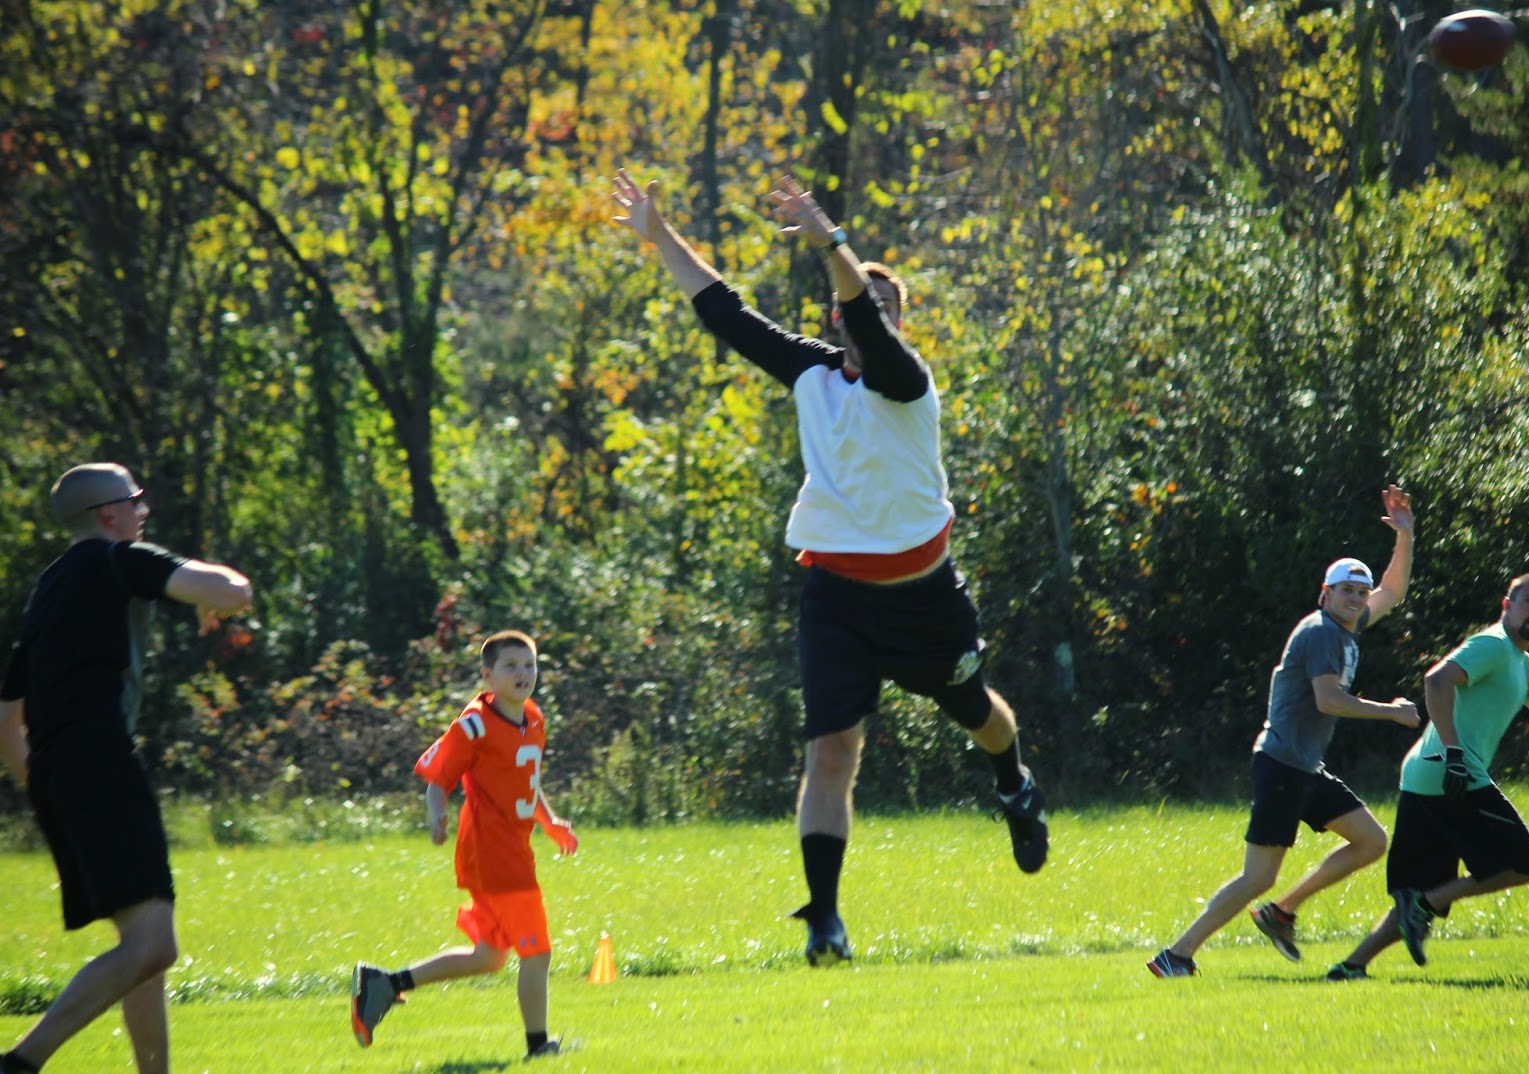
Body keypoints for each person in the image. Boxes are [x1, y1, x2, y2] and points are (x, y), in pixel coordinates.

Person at [609, 168, 1048, 968]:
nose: (871, 318)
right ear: (835, 322)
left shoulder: (908, 385)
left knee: (980, 713)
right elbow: (727, 313)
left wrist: (835, 243)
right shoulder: (813, 372)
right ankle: (825, 922)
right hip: (839, 600)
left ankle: (1015, 786)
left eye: (885, 309)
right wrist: (658, 235)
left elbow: (869, 326)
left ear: (898, 322)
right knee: (830, 753)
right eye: (860, 308)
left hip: (924, 602)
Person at [0, 463, 253, 1074]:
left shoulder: (47, 593)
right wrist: (207, 596)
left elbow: (6, 724)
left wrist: (51, 788)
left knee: (139, 949)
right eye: (135, 501)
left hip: (58, 773)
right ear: (108, 515)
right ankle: (21, 1061)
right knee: (153, 944)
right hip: (99, 759)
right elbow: (235, 591)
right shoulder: (117, 559)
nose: (143, 511)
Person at [1147, 486, 1419, 978]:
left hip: (1303, 766)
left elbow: (1394, 592)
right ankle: (1177, 955)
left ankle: (1282, 911)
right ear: (1326, 595)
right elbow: (1329, 700)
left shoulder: (1347, 627)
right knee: (1257, 876)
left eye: (1361, 592)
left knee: (1371, 841)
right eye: (1348, 591)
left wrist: (1405, 536)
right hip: (1281, 765)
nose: (1358, 598)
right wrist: (1392, 712)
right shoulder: (1321, 633)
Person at [1325, 572, 1529, 980]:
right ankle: (1421, 907)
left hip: (1427, 776)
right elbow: (1437, 679)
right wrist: (1454, 750)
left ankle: (1351, 965)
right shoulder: (1493, 645)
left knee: (1424, 890)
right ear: (1507, 606)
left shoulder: (1522, 664)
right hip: (1452, 774)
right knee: (1524, 862)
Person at [350, 629, 578, 1060]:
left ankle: (386, 983)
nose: (522, 673)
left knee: (490, 956)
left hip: (512, 849)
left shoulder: (533, 717)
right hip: (494, 854)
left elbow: (526, 781)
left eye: (529, 665)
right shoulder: (473, 724)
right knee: (538, 952)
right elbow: (438, 778)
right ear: (487, 676)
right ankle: (539, 1047)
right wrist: (437, 813)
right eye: (511, 666)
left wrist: (549, 822)